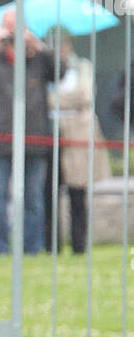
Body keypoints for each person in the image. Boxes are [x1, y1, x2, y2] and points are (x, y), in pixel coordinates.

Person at [0, 9, 63, 254]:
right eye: (8, 27)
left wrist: (38, 45)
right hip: (1, 140)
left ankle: (31, 248)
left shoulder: (39, 60)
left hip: (34, 139)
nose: (12, 34)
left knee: (32, 198)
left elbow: (61, 72)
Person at [44, 31, 110, 254]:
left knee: (78, 193)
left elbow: (84, 95)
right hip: (51, 133)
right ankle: (52, 246)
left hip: (78, 135)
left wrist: (54, 101)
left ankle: (79, 245)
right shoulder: (45, 68)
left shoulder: (82, 66)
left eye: (64, 44)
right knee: (49, 192)